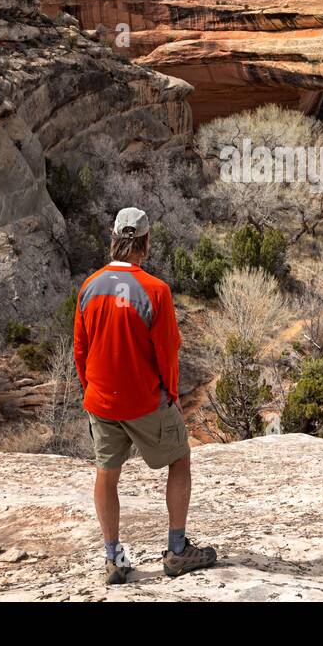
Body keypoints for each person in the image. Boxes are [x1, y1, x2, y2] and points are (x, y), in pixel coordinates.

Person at [73, 206, 218, 585]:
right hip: (143, 400)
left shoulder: (90, 286)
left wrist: (91, 392)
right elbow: (167, 351)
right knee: (180, 458)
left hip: (102, 400)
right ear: (145, 243)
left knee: (107, 474)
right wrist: (169, 395)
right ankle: (177, 550)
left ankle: (113, 559)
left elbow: (80, 350)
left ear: (114, 240)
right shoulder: (156, 291)